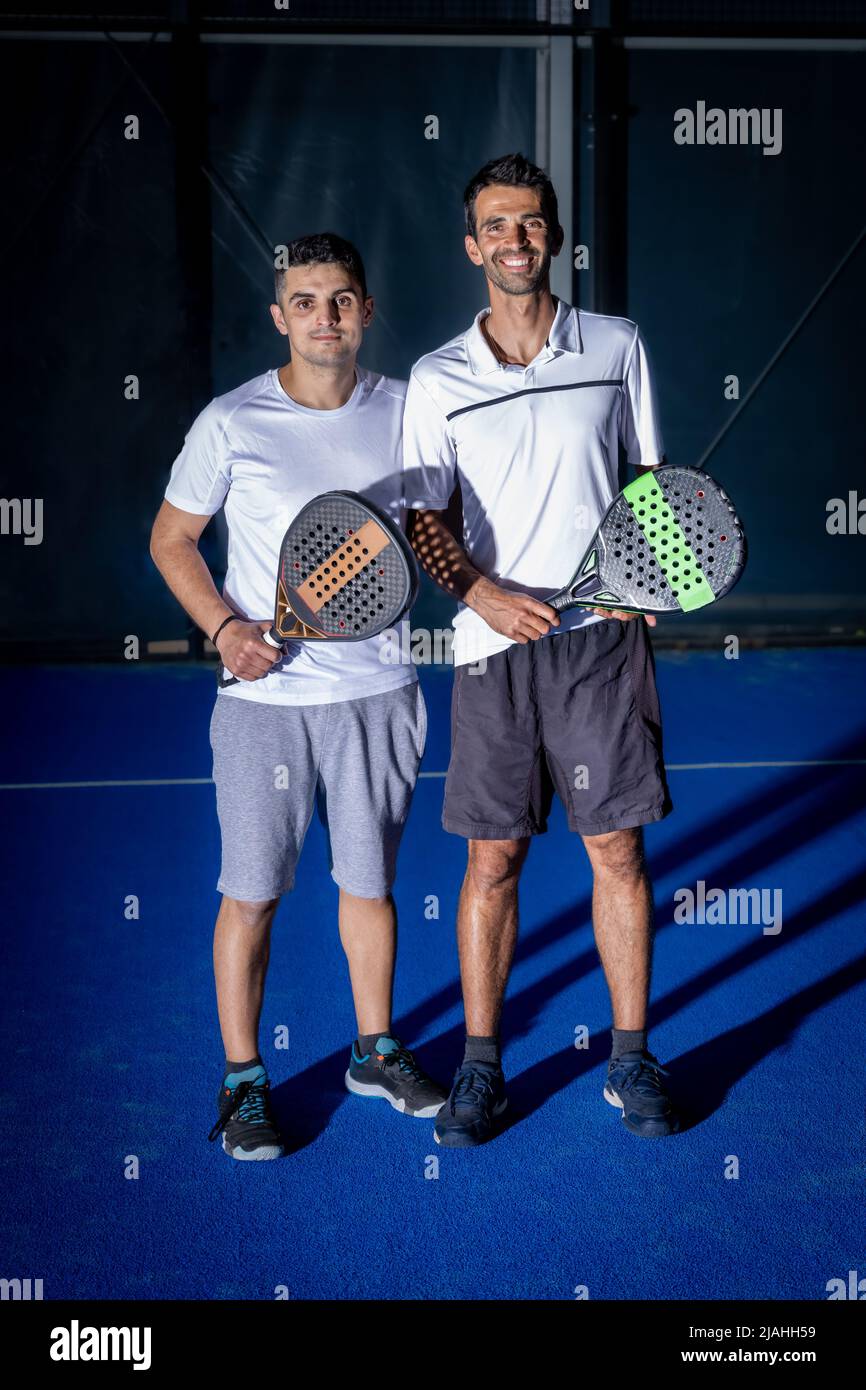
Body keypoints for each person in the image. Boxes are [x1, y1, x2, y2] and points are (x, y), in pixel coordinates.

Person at [150, 232, 446, 1161]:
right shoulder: (231, 421)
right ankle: (243, 1082)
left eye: (343, 298)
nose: (326, 316)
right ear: (281, 318)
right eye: (307, 301)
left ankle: (374, 1049)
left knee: (371, 886)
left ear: (366, 310)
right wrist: (228, 631)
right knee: (251, 895)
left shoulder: (410, 411)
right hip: (262, 710)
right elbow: (170, 538)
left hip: (381, 693)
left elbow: (440, 531)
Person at [402, 155, 678, 1147]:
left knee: (616, 848)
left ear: (551, 237)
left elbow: (645, 474)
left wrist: (639, 576)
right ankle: (481, 1069)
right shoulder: (436, 376)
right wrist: (481, 590)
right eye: (496, 227)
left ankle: (630, 1054)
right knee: (493, 858)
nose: (515, 241)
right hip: (488, 649)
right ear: (471, 246)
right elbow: (423, 517)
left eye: (530, 223)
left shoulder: (615, 343)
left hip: (599, 643)